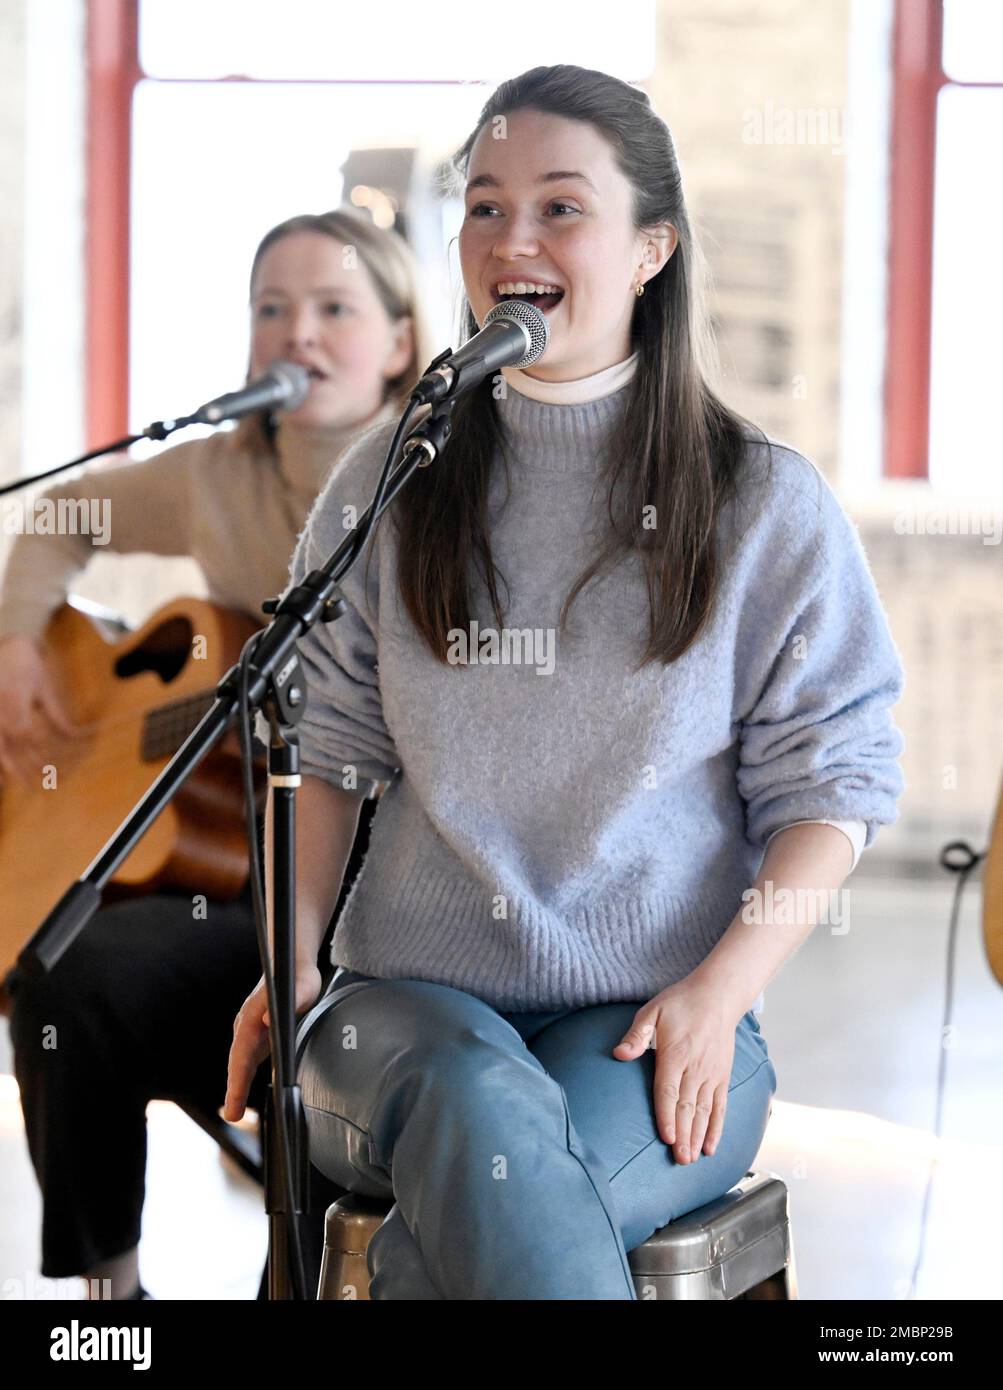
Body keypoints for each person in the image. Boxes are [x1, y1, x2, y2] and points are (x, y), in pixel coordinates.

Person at [225, 66, 905, 1301]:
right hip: (401, 1015)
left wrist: (718, 992)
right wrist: (298, 962)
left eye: (558, 208)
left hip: (655, 1020)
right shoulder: (393, 476)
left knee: (482, 1203)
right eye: (482, 209)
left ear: (653, 248)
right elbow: (321, 745)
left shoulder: (760, 502)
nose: (510, 241)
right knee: (472, 1105)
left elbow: (834, 786)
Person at [3, 206, 430, 1299]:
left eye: (336, 308)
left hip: (386, 890)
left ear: (397, 340)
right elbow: (65, 514)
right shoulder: (211, 473)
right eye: (272, 310)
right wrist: (14, 641)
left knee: (323, 1031)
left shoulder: (442, 477)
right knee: (65, 970)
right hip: (240, 869)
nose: (299, 333)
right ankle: (112, 1295)